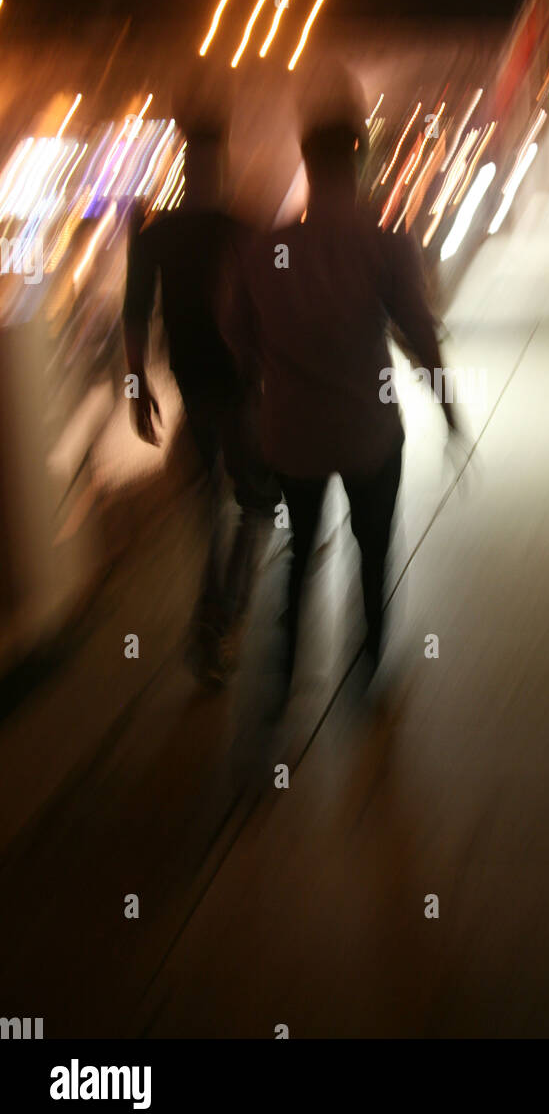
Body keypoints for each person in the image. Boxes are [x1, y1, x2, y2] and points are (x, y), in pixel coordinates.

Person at [221, 103, 464, 719]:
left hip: (294, 438)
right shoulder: (383, 245)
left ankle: (283, 676)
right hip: (369, 434)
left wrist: (268, 375)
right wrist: (450, 413)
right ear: (357, 160)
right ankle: (369, 669)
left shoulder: (266, 253)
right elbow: (419, 335)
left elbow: (236, 334)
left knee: (301, 552)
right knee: (373, 548)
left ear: (307, 163)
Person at [122, 107, 275, 683]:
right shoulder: (243, 228)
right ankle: (222, 617)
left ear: (185, 166)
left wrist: (138, 388)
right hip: (238, 390)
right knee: (256, 502)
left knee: (209, 506)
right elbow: (271, 315)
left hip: (196, 387)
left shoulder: (157, 235)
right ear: (221, 164)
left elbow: (134, 315)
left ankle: (214, 615)